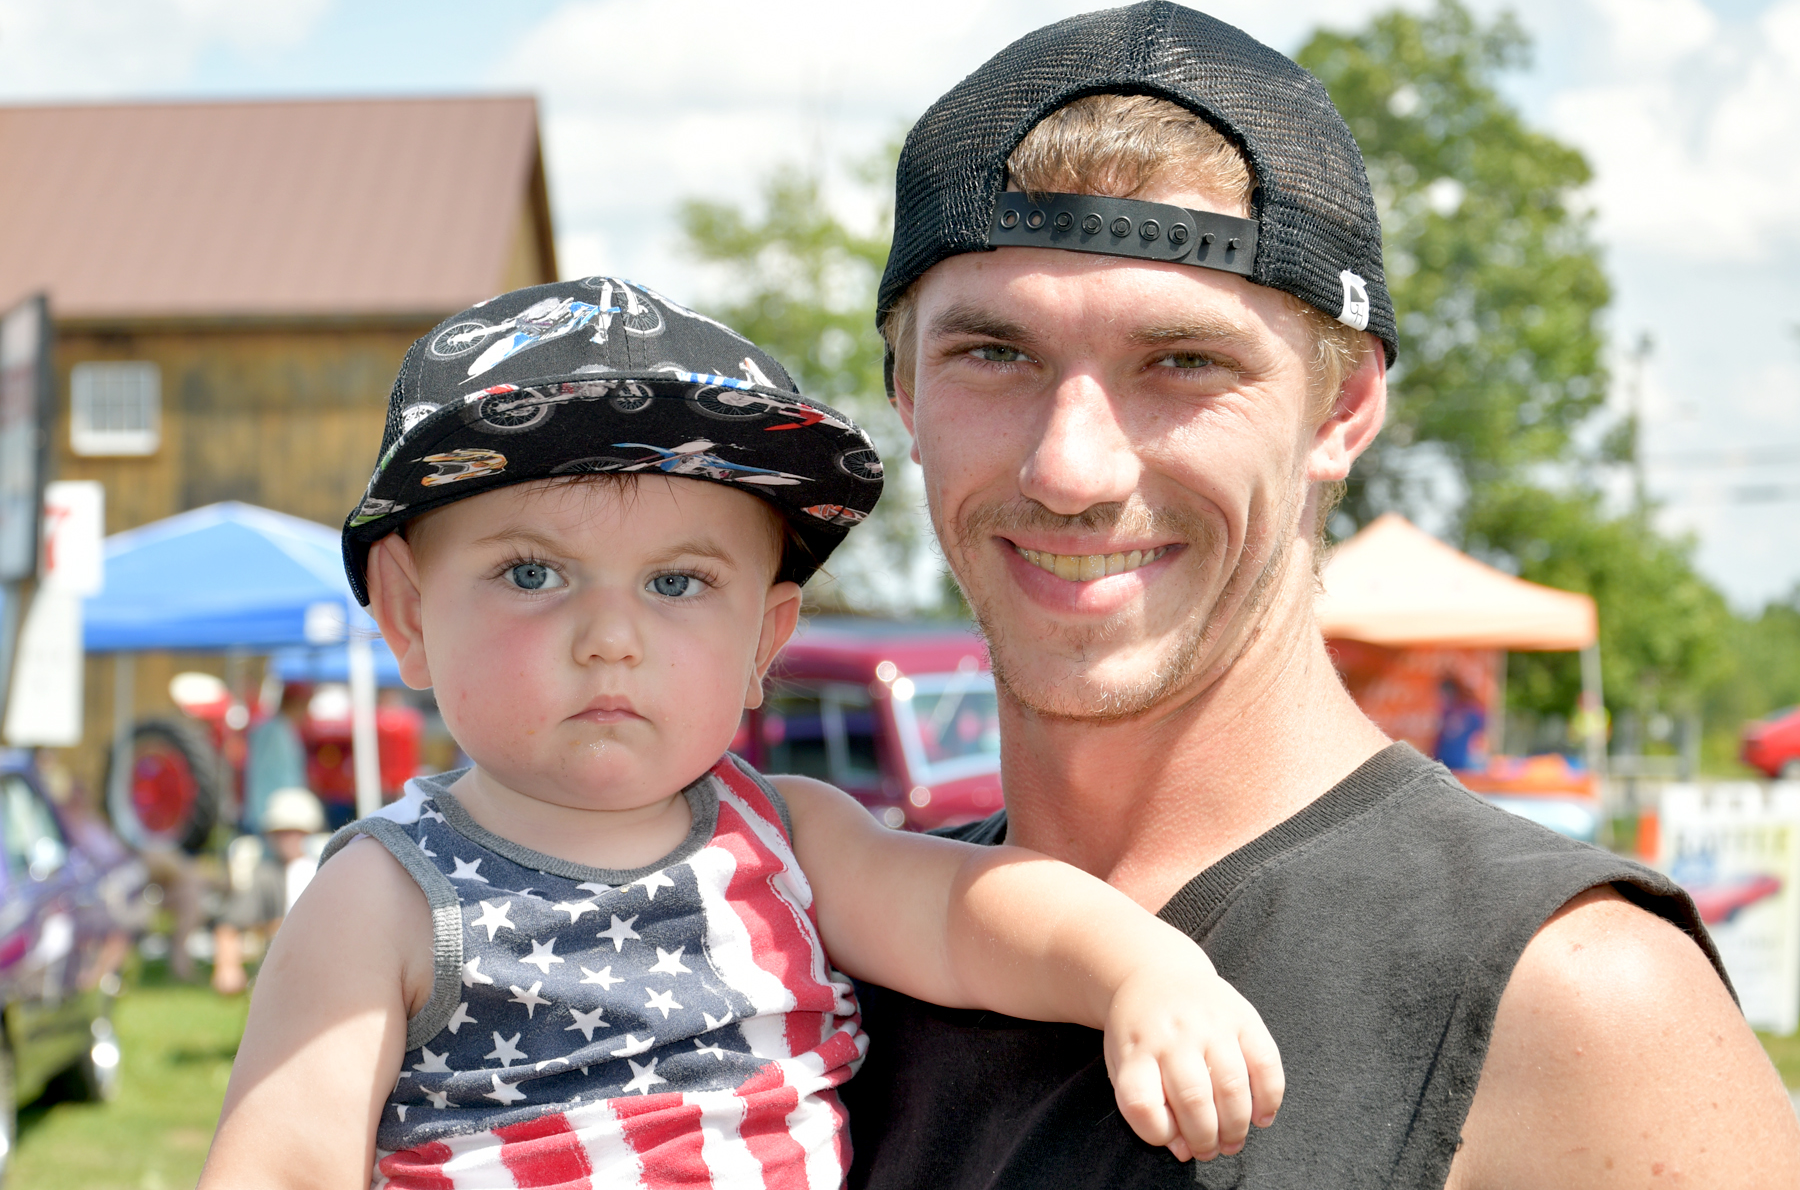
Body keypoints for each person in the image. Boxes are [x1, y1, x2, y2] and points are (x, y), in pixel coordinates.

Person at [840, 1, 1800, 1188]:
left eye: (1183, 362)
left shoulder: (1570, 1001)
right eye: (995, 354)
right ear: (906, 394)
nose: (1070, 469)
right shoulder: (803, 965)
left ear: (1341, 411)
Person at [198, 278, 1284, 1188]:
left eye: (677, 582)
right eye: (531, 574)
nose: (611, 639)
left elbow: (968, 914)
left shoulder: (785, 840)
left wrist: (1138, 970)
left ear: (765, 639)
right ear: (408, 614)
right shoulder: (386, 899)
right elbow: (281, 1167)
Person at [210, 786, 328, 996]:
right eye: (280, 833)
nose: (287, 839)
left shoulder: (329, 869)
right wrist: (227, 967)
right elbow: (230, 925)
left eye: (294, 832)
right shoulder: (265, 877)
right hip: (286, 966)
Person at [242, 681, 311, 833]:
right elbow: (283, 777)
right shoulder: (277, 732)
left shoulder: (278, 729)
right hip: (272, 813)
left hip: (271, 811)